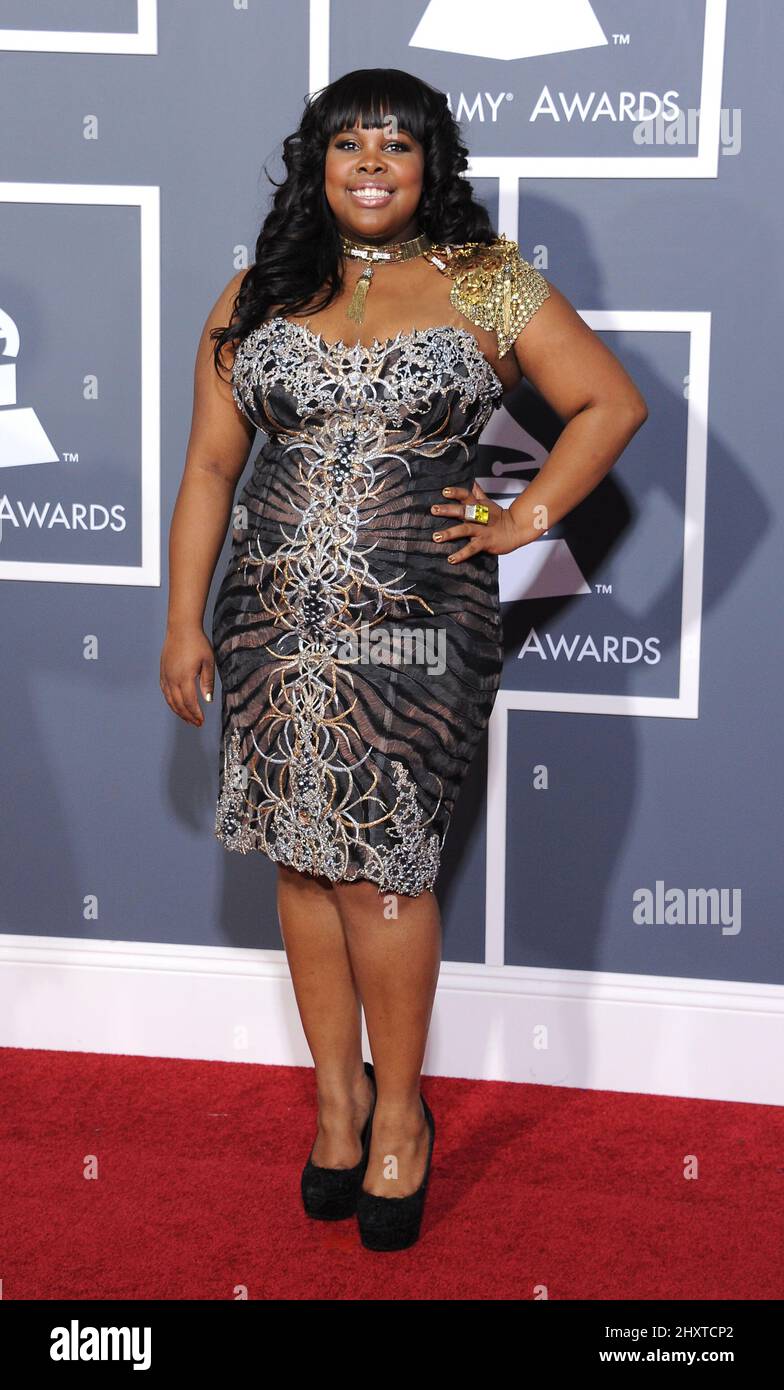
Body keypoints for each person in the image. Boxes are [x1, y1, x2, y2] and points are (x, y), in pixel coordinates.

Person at [160, 68, 648, 1252]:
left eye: (395, 144)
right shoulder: (259, 290)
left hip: (415, 619)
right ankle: (335, 1107)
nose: (370, 162)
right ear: (315, 163)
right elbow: (213, 470)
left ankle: (399, 1121)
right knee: (301, 852)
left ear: (430, 164)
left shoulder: (487, 277)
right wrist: (184, 619)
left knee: (380, 859)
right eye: (347, 144)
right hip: (272, 618)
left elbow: (608, 405)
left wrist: (520, 519)